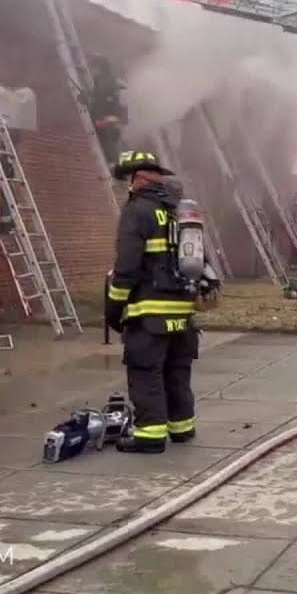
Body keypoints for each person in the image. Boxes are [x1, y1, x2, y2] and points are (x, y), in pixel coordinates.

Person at [104, 150, 200, 454]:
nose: (127, 188)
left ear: (139, 179)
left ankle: (150, 435)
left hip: (149, 314)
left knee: (146, 373)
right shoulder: (178, 211)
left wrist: (113, 308)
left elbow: (127, 267)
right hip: (183, 314)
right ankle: (182, 428)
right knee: (176, 372)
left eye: (128, 181)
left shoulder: (137, 211)